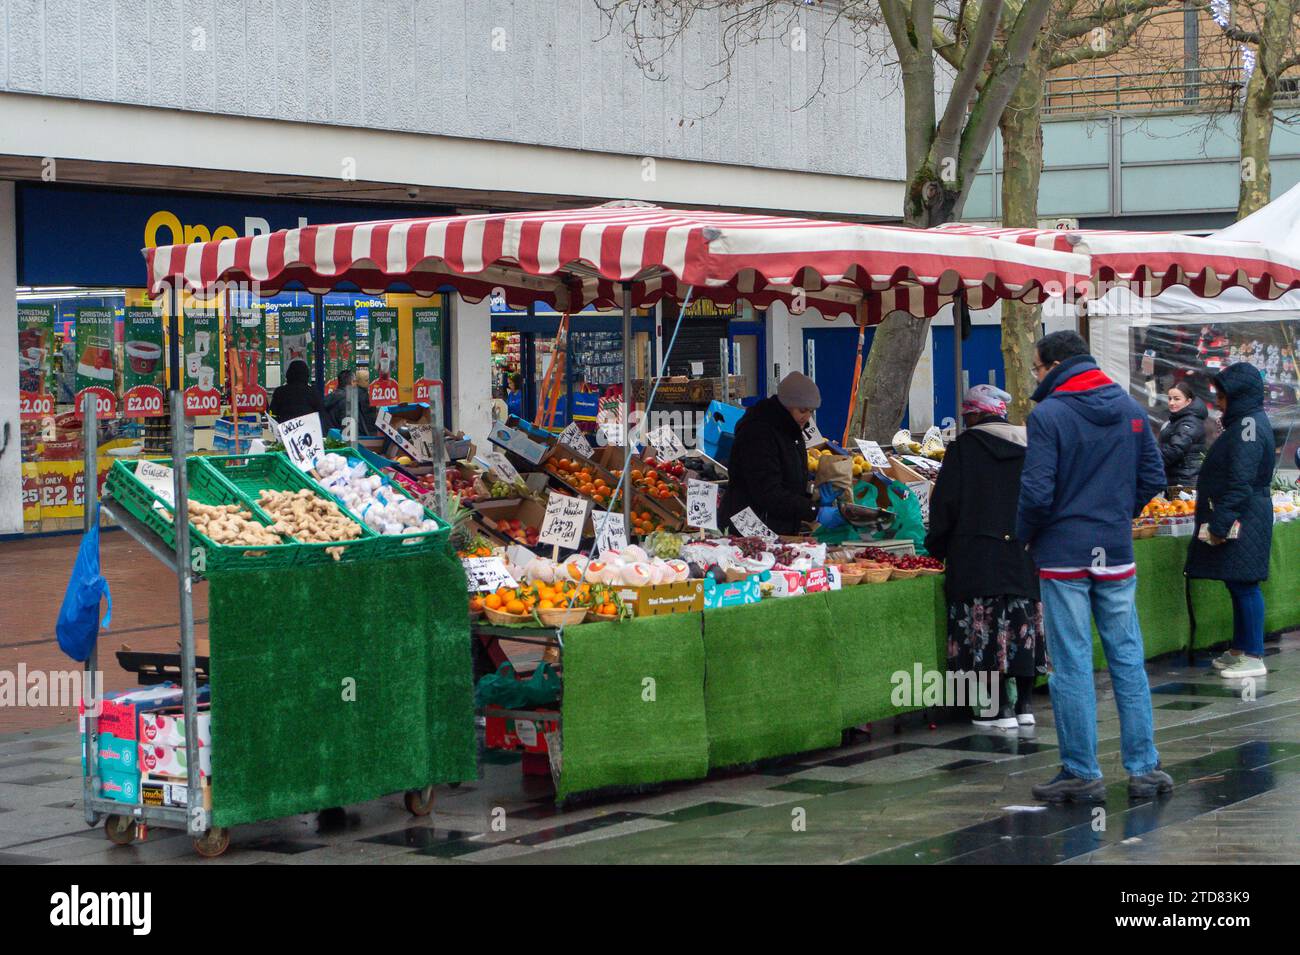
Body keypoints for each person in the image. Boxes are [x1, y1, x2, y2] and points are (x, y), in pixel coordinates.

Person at [1017, 331, 1172, 803]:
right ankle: (1144, 769)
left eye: (1038, 369)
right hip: (1115, 551)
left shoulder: (1049, 415)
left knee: (1071, 664)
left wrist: (1024, 535)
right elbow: (1154, 478)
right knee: (1127, 658)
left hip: (1064, 554)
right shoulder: (1130, 410)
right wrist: (1116, 515)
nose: (1036, 377)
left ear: (1055, 364)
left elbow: (1037, 493)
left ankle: (1082, 772)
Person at [926, 385, 1044, 730]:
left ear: (975, 415)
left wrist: (937, 546)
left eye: (967, 416)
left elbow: (945, 503)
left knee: (983, 632)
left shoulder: (964, 448)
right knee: (1022, 629)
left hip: (976, 557)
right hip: (1023, 555)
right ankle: (1024, 705)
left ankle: (996, 709)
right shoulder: (1031, 446)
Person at [1185, 363, 1275, 680]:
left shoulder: (1248, 427)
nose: (1218, 403)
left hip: (1246, 516)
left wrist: (1220, 525)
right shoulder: (1245, 422)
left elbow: (1240, 484)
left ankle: (1253, 654)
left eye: (1222, 397)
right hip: (1246, 514)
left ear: (1236, 396)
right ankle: (1240, 649)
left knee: (1245, 584)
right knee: (1237, 581)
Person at [721, 372, 840, 535]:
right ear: (786, 404)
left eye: (811, 411)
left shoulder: (791, 429)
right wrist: (814, 511)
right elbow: (768, 491)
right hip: (751, 528)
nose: (807, 417)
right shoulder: (758, 433)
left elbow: (788, 480)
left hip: (776, 526)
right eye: (803, 410)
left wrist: (814, 497)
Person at [1157, 380, 1207, 488]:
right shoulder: (1177, 420)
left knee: (1179, 505)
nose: (1171, 402)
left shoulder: (1189, 422)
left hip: (1184, 483)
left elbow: (1175, 449)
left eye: (1176, 399)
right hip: (1176, 479)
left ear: (1188, 401)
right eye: (1169, 398)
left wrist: (1149, 460)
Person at [269, 359, 326, 429]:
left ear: (289, 374)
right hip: (308, 431)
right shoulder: (313, 392)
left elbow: (272, 414)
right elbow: (321, 414)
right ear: (306, 375)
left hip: (286, 432)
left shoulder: (280, 392)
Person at [324, 368, 376, 436]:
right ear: (352, 382)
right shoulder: (348, 401)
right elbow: (349, 432)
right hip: (342, 443)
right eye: (355, 381)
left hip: (329, 441)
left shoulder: (328, 398)